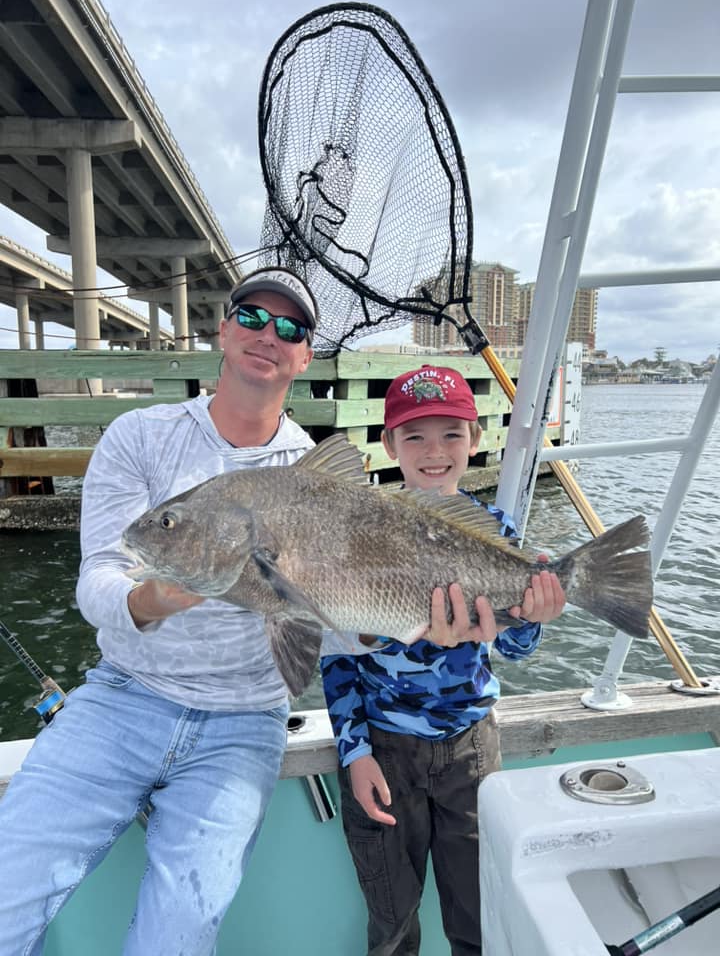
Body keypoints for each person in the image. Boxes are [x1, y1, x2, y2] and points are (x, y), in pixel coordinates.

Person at [0, 275, 500, 956]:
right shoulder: (139, 437)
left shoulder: (310, 470)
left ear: (305, 356)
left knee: (179, 934)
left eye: (291, 329)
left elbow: (333, 628)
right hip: (122, 700)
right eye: (254, 316)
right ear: (223, 329)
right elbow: (100, 576)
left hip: (245, 723)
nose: (270, 335)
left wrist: (410, 628)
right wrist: (150, 599)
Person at [321, 364, 566, 956]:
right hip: (384, 748)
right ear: (388, 446)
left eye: (451, 435)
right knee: (392, 919)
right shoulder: (358, 529)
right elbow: (337, 654)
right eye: (415, 437)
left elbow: (509, 647)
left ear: (476, 440)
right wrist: (354, 753)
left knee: (479, 910)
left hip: (471, 748)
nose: (435, 452)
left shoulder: (496, 530)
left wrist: (531, 617)